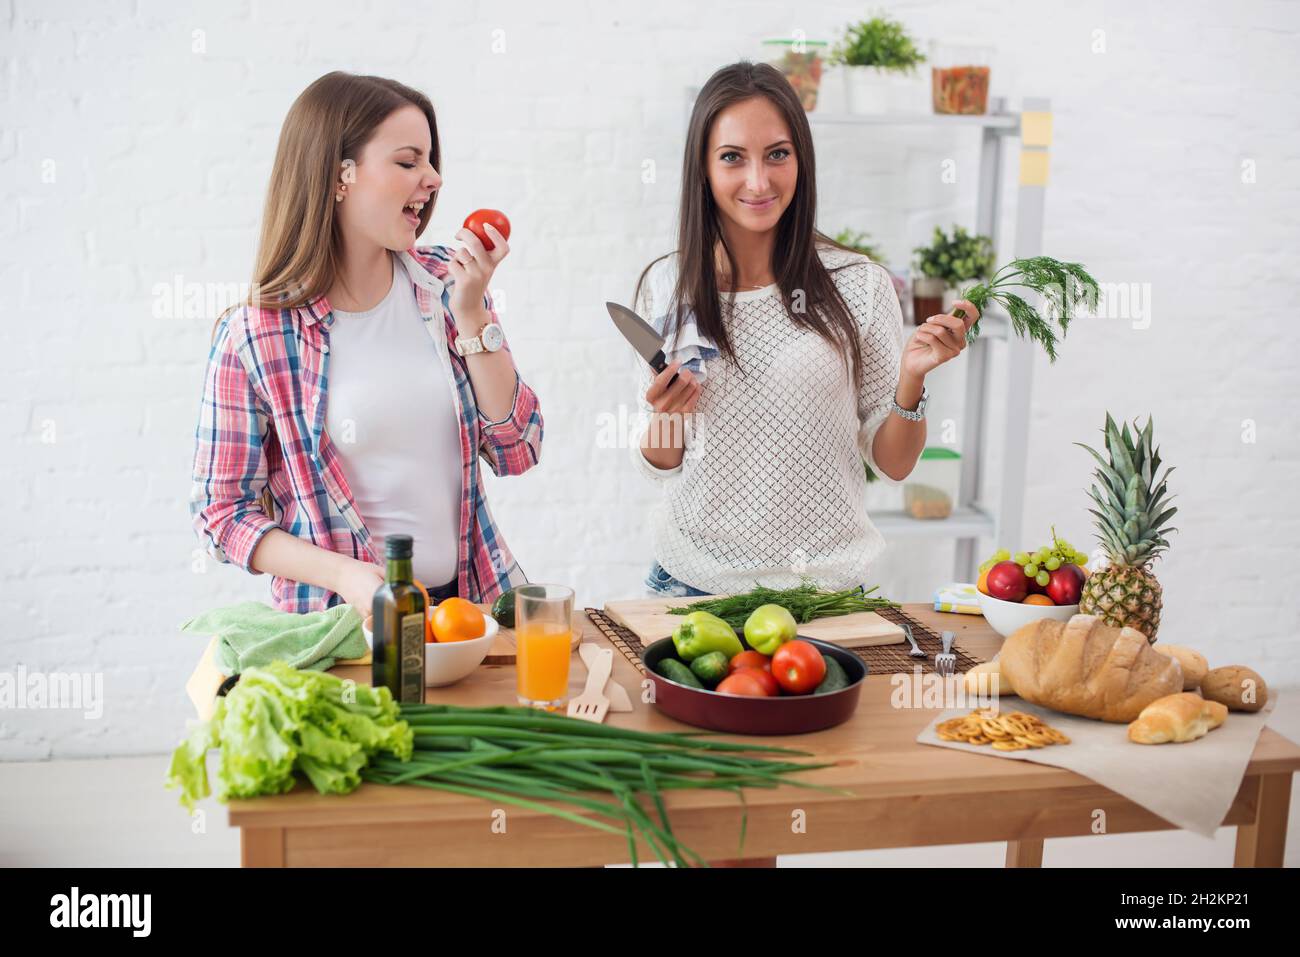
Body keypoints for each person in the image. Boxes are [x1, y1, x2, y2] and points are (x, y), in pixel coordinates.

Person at [190, 72, 541, 614]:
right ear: (339, 177)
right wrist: (348, 576)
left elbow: (519, 449)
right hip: (340, 619)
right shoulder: (257, 335)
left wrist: (472, 314)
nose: (433, 179)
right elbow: (222, 514)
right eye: (407, 162)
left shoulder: (449, 285)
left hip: (469, 609)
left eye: (430, 161)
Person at [630, 61, 978, 597]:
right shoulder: (669, 285)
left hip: (827, 593)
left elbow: (895, 464)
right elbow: (662, 463)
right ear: (702, 167)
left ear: (801, 159)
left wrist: (911, 377)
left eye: (777, 154)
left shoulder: (857, 285)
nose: (758, 181)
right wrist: (666, 415)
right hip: (691, 585)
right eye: (732, 158)